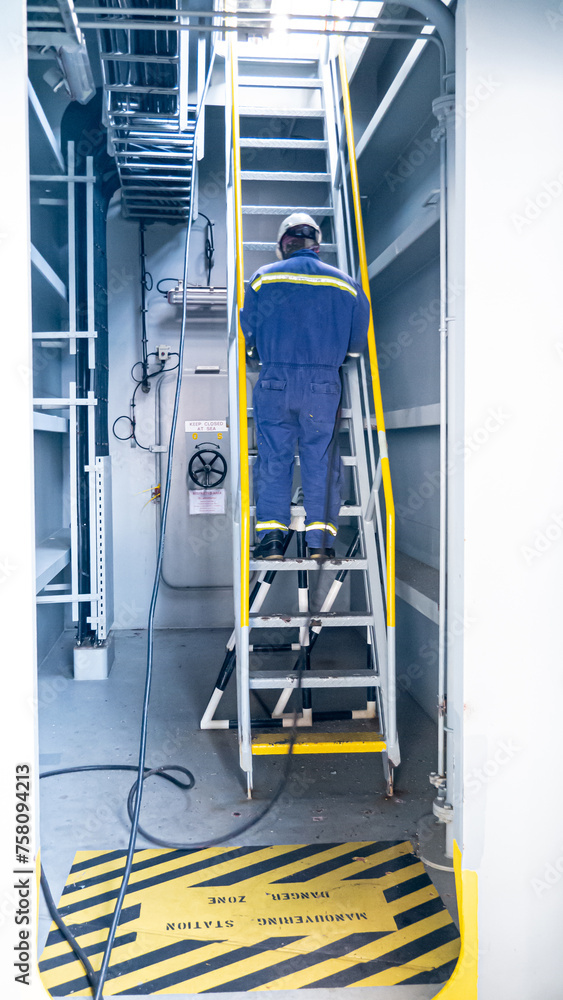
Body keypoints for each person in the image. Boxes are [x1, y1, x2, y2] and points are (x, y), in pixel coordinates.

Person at [240, 212, 370, 560]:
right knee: (321, 459)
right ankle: (320, 543)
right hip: (322, 384)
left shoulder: (261, 278)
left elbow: (248, 336)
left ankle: (270, 542)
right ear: (317, 243)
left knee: (273, 458)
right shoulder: (347, 285)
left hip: (275, 382)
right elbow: (356, 346)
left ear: (283, 244)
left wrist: (261, 353)